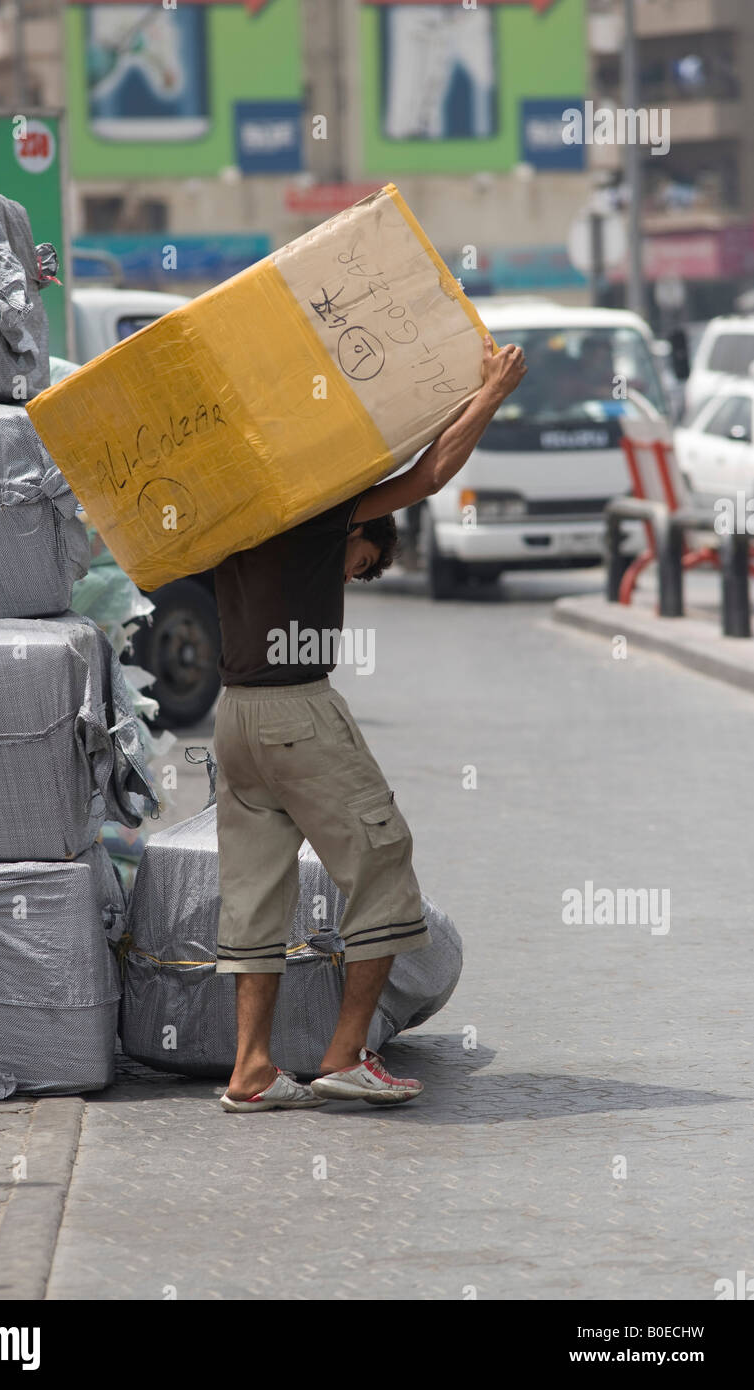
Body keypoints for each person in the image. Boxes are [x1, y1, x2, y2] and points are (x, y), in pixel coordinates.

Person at [212, 334, 527, 1113]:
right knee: (383, 860)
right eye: (366, 562)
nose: (357, 575)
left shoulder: (224, 511)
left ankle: (249, 1070)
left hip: (234, 716)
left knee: (254, 891)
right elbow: (427, 474)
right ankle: (345, 1054)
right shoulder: (312, 509)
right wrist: (490, 391)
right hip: (296, 710)